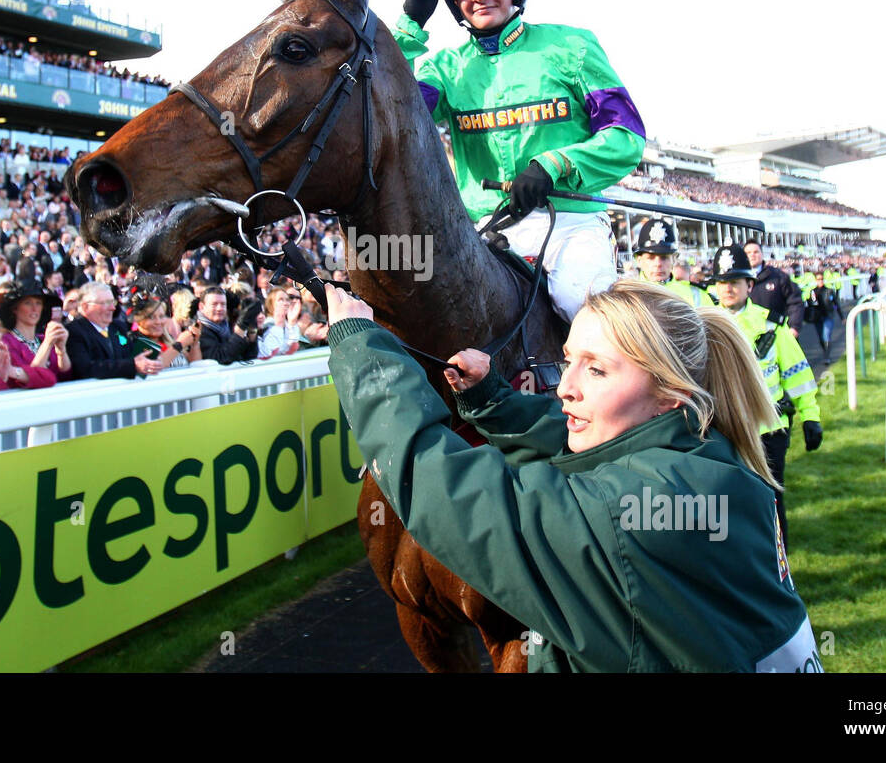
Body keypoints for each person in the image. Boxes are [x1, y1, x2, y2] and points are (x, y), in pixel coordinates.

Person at [324, 278, 820, 672]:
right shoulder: (709, 453)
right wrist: (492, 400)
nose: (565, 389)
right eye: (568, 362)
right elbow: (586, 444)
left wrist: (360, 347)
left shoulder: (623, 511)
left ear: (672, 394)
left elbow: (441, 487)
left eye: (597, 370)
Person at [397, 0, 645, 321]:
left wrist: (556, 164)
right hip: (487, 228)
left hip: (571, 225)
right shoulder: (443, 70)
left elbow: (626, 137)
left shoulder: (571, 45)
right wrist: (410, 27)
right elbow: (391, 115)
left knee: (579, 307)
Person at [711, 245, 821, 550]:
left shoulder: (772, 325)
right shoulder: (702, 323)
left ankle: (778, 569)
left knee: (770, 503)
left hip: (768, 431)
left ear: (750, 285)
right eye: (722, 282)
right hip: (724, 432)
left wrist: (811, 416)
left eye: (735, 281)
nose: (728, 288)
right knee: (729, 507)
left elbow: (797, 374)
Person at [64, 281, 164, 380]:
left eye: (112, 302)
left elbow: (131, 354)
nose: (112, 308)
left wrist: (148, 361)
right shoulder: (74, 332)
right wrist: (132, 365)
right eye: (105, 303)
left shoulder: (117, 327)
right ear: (86, 307)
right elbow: (85, 369)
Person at [630, 218, 716, 308]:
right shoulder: (629, 297)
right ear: (639, 260)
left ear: (674, 260)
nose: (658, 263)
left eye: (664, 257)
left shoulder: (697, 295)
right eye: (651, 258)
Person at [0, 279, 72, 380]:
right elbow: (32, 377)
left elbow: (65, 375)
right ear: (15, 309)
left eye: (38, 303)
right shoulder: (6, 341)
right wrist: (47, 344)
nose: (34, 308)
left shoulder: (42, 338)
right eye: (27, 303)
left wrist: (61, 350)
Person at [127, 290, 200, 369]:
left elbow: (195, 365)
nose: (158, 322)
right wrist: (180, 344)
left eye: (161, 316)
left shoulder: (168, 338)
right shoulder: (134, 339)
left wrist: (194, 344)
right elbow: (155, 366)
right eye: (151, 317)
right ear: (139, 321)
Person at [744, 241, 804, 333]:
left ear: (762, 254)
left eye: (756, 252)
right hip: (748, 333)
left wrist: (794, 326)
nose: (752, 255)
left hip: (776, 332)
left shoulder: (778, 276)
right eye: (748, 253)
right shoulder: (738, 280)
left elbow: (795, 301)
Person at [197, 286, 260, 364]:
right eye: (214, 304)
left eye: (223, 304)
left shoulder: (227, 326)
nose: (219, 308)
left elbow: (249, 357)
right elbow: (221, 359)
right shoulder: (199, 330)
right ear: (201, 307)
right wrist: (240, 330)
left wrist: (252, 331)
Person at [806, 272, 842, 364]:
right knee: (821, 338)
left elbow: (836, 304)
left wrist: (842, 317)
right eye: (818, 279)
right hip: (817, 318)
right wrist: (810, 301)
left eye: (821, 279)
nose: (820, 281)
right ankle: (825, 351)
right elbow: (811, 305)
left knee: (826, 335)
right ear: (815, 280)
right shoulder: (813, 291)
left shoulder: (829, 291)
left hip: (828, 316)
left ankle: (827, 356)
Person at [258, 287, 303, 358]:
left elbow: (293, 348)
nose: (286, 303)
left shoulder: (288, 323)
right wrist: (278, 326)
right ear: (271, 304)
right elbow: (273, 352)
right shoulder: (267, 324)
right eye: (280, 300)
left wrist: (292, 323)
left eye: (287, 300)